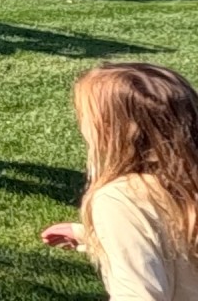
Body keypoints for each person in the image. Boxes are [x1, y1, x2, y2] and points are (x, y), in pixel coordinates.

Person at [41, 63, 198, 299]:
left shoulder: (121, 199)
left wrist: (116, 223)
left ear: (110, 130)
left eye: (84, 116)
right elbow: (176, 241)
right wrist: (93, 237)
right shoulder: (184, 182)